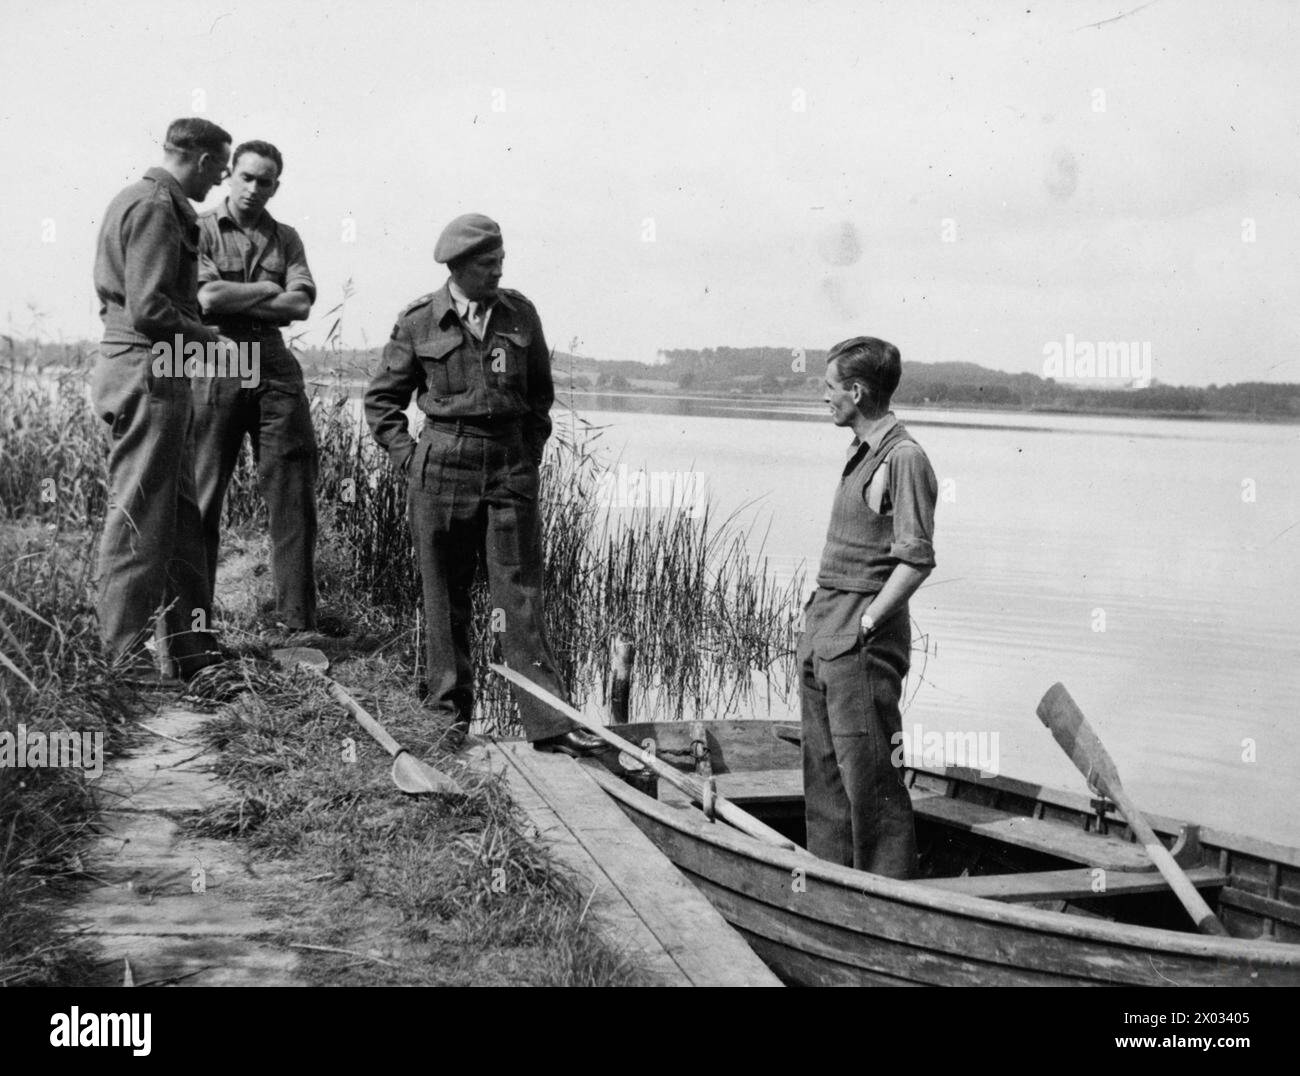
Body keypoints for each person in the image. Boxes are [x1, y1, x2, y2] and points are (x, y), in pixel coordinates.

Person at [364, 213, 602, 755]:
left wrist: (528, 453)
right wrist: (411, 459)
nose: (497, 270)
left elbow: (540, 396)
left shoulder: (520, 314)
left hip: (509, 469)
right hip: (441, 467)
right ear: (458, 266)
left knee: (519, 597)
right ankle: (446, 721)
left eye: (500, 261)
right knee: (443, 596)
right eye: (486, 263)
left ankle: (548, 725)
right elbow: (382, 402)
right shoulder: (421, 321)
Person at [91, 117, 232, 680]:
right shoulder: (155, 207)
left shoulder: (145, 200)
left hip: (155, 373)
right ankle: (122, 663)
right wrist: (206, 336)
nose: (220, 179)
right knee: (139, 520)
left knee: (181, 522)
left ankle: (195, 656)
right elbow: (150, 309)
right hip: (148, 373)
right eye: (220, 168)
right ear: (199, 160)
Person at [799, 337, 938, 877]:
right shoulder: (860, 452)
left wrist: (869, 620)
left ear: (856, 392)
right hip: (823, 637)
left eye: (830, 388)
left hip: (859, 645)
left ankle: (890, 897)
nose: (824, 398)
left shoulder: (903, 459)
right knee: (826, 778)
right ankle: (830, 888)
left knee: (872, 781)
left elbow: (917, 559)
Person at [191, 140, 323, 632]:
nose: (253, 188)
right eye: (245, 176)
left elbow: (301, 306)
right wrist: (270, 290)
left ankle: (297, 625)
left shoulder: (286, 237)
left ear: (275, 186)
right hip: (215, 360)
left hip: (273, 365)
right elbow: (206, 298)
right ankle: (195, 624)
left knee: (294, 500)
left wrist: (242, 300)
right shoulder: (199, 228)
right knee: (203, 497)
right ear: (228, 174)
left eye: (264, 181)